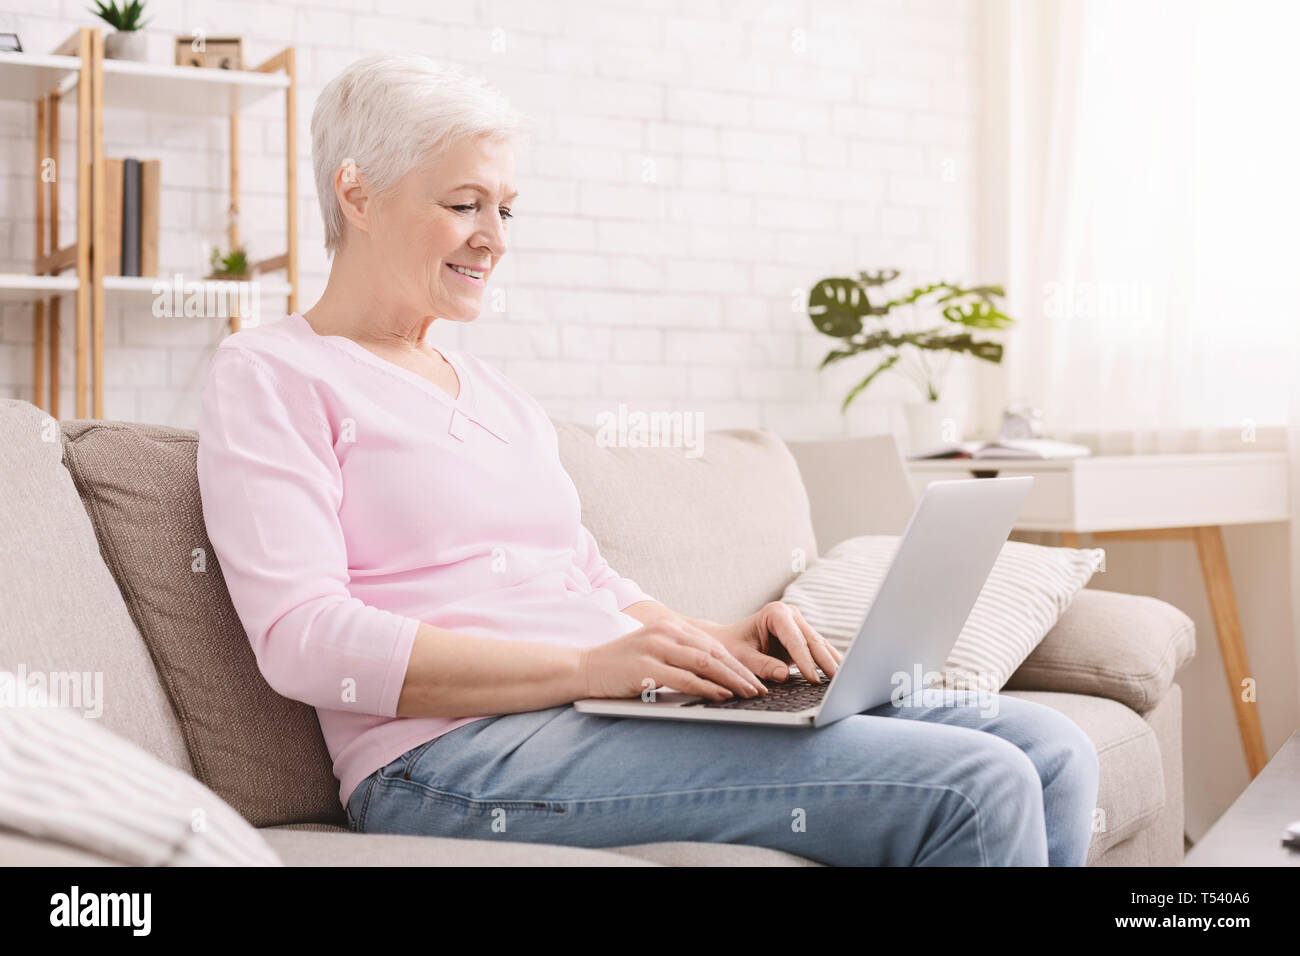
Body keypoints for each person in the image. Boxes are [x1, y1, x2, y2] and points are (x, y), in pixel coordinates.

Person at [196, 53, 1098, 866]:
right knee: (977, 783)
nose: (495, 237)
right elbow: (302, 641)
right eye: (463, 204)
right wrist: (589, 670)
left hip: (596, 713)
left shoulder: (498, 396)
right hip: (448, 756)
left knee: (1054, 752)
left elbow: (581, 573)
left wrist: (710, 640)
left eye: (504, 209)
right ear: (356, 193)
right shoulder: (272, 373)